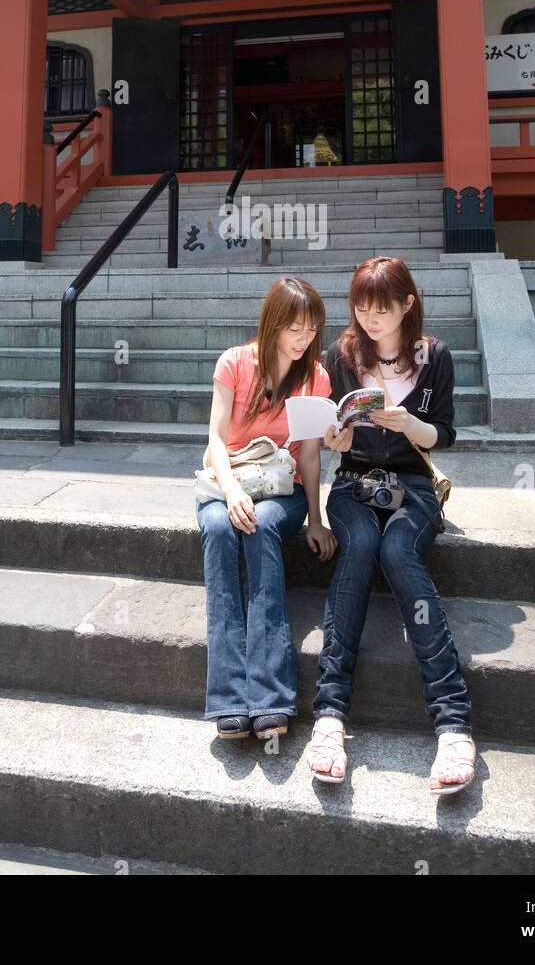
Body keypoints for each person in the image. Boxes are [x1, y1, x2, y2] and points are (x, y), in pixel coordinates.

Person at [305, 255, 475, 794]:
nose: (370, 319)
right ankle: (329, 719)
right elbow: (334, 424)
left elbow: (445, 435)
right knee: (358, 547)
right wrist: (338, 439)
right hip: (355, 485)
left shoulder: (435, 357)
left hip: (415, 488)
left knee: (397, 551)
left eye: (382, 308)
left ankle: (453, 722)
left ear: (408, 304)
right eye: (361, 307)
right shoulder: (342, 353)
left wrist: (412, 425)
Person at [197, 275, 337, 740]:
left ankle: (271, 696)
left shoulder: (316, 376)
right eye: (295, 328)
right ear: (273, 323)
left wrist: (316, 518)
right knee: (219, 529)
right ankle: (228, 699)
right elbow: (216, 438)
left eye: (312, 329)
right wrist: (233, 489)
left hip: (282, 488)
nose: (304, 339)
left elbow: (311, 454)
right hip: (228, 481)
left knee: (260, 527)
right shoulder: (235, 363)